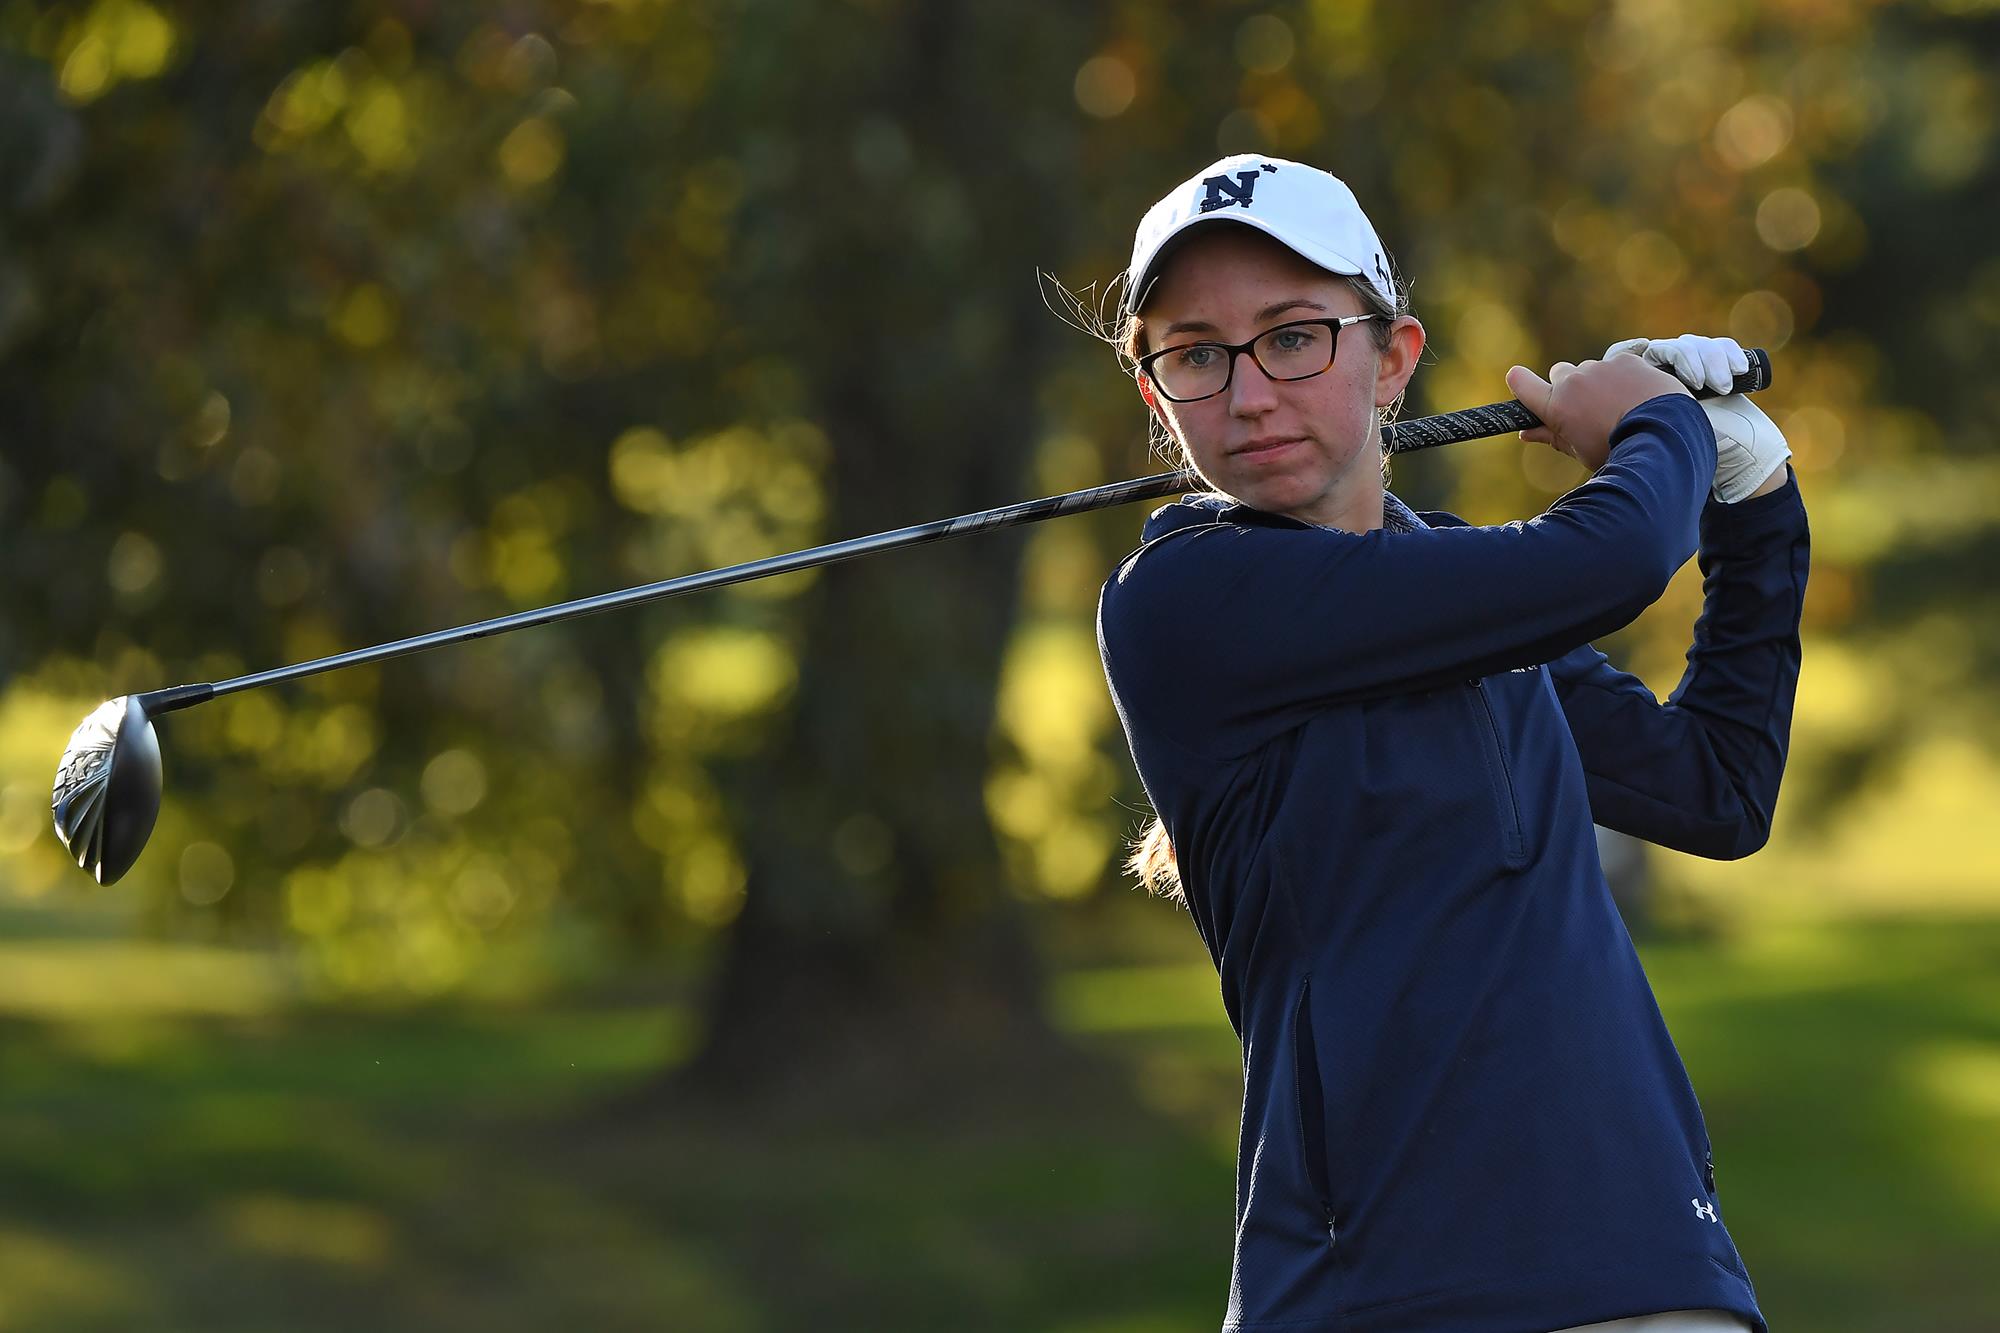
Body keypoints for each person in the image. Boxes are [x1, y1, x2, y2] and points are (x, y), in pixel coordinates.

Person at [1094, 154, 1806, 1333]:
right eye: (1195, 353)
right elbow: (1610, 556)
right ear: (1154, 395)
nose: (1249, 393)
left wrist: (1755, 502)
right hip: (1378, 1290)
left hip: (1641, 1271)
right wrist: (1659, 424)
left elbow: (1716, 790)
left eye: (1291, 337)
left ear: (1392, 360)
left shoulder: (1469, 597)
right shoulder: (1184, 599)